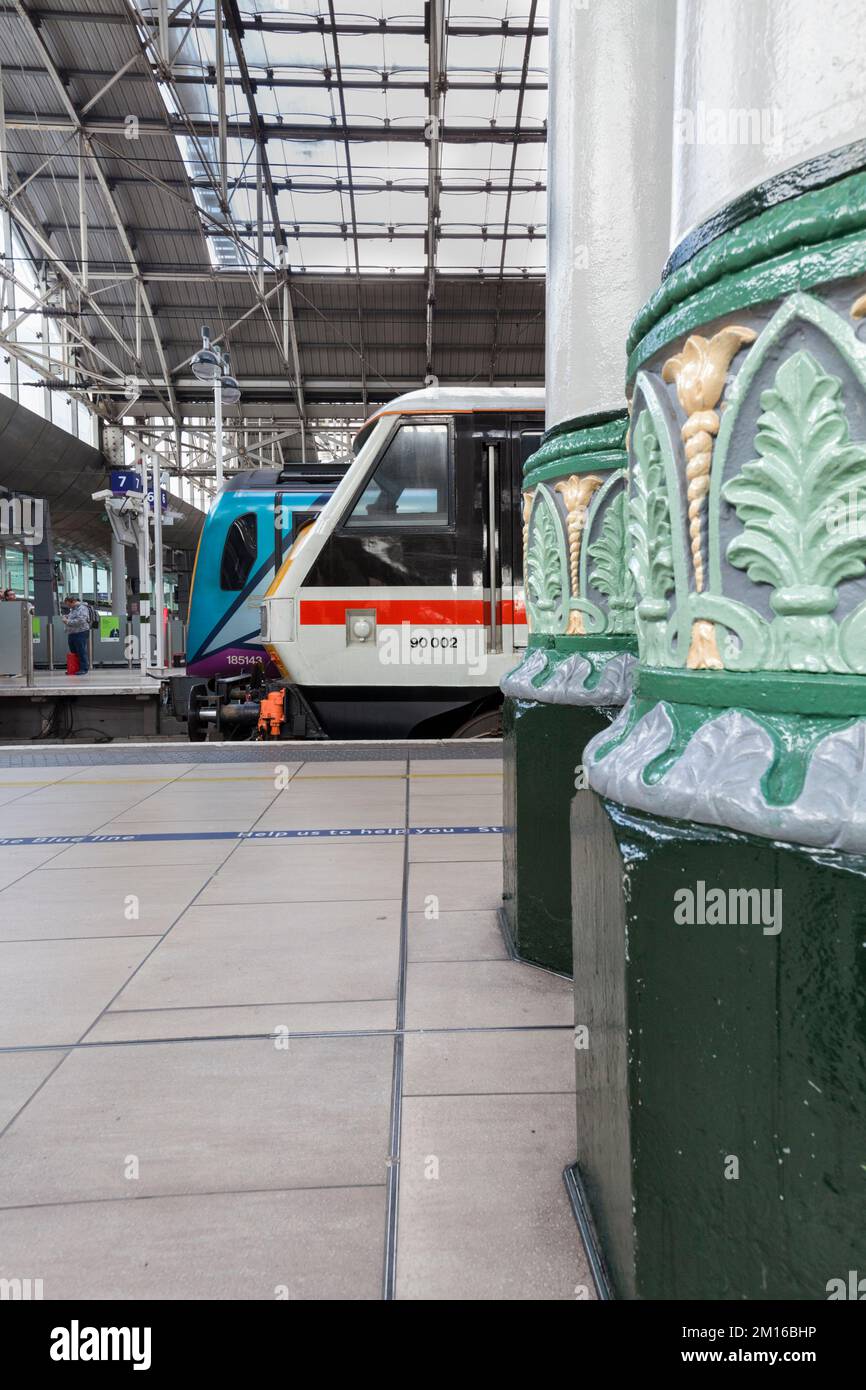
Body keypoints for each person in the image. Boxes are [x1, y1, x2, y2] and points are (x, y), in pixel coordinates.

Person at [62, 595, 91, 675]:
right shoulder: (73, 609)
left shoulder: (82, 608)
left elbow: (81, 620)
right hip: (72, 633)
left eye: (69, 604)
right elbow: (73, 617)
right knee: (74, 652)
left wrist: (67, 622)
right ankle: (75, 668)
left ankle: (84, 669)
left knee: (81, 651)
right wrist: (66, 616)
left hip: (80, 632)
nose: (68, 606)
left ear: (73, 602)